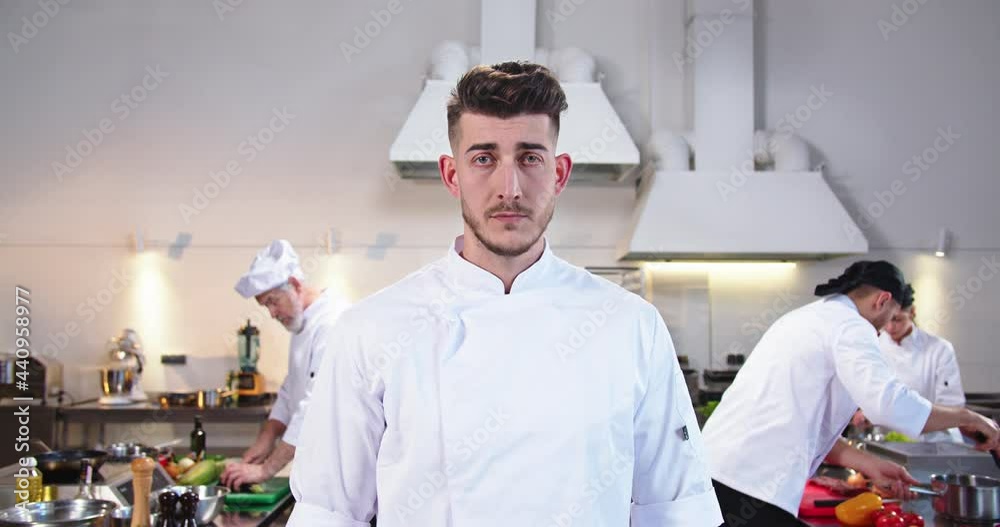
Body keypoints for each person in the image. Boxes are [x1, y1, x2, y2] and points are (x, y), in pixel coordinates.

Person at [287, 62, 723, 526]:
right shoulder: (371, 330)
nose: (509, 189)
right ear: (452, 174)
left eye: (530, 157)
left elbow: (676, 512)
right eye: (484, 158)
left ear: (559, 173)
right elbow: (328, 514)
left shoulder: (631, 326)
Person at [701, 261, 1000, 527]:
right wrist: (965, 416)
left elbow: (807, 424)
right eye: (892, 316)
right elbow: (890, 405)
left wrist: (868, 464)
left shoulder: (810, 318)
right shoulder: (851, 327)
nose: (885, 329)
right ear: (883, 301)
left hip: (721, 475)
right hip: (750, 483)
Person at [220, 239, 347, 489]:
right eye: (265, 305)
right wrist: (267, 437)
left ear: (296, 285)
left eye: (272, 301)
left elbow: (314, 407)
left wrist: (265, 470)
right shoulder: (304, 324)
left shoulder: (332, 323)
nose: (271, 313)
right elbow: (292, 388)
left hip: (339, 468)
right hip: (317, 464)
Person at [879, 284, 966, 442]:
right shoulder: (875, 346)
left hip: (934, 441)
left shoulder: (939, 349)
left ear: (912, 312)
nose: (890, 327)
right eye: (886, 320)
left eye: (897, 319)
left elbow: (953, 406)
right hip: (886, 440)